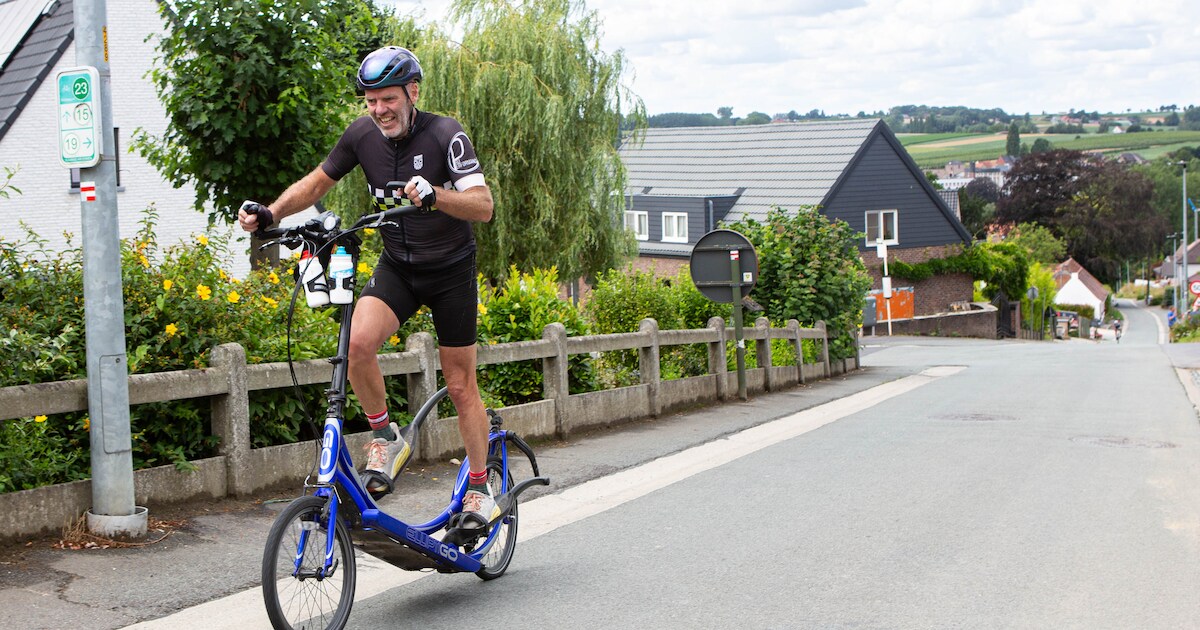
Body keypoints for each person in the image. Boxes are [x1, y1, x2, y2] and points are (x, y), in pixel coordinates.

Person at [238, 46, 498, 526]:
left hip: (450, 272)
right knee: (357, 344)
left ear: (412, 93)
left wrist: (436, 195)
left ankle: (480, 488)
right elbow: (317, 182)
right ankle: (386, 436)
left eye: (388, 99)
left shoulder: (446, 134)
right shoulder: (362, 135)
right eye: (371, 100)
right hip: (400, 265)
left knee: (460, 386)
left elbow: (483, 206)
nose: (379, 110)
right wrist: (271, 213)